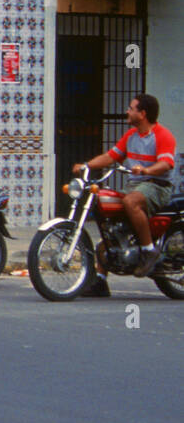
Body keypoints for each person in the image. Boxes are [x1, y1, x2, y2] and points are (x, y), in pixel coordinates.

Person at [74, 93, 176, 289]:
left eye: (131, 108)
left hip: (157, 185)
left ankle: (149, 250)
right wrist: (86, 165)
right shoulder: (131, 135)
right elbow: (111, 156)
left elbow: (166, 163)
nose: (127, 111)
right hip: (135, 186)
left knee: (130, 202)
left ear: (142, 114)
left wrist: (147, 169)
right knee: (103, 203)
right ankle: (101, 282)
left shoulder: (162, 135)